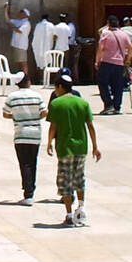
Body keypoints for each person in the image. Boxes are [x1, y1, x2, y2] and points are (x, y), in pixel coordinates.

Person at [46, 74, 100, 226]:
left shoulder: (56, 104)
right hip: (81, 147)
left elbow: (53, 127)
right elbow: (90, 126)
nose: (55, 91)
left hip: (64, 148)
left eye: (56, 88)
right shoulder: (83, 103)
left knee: (65, 182)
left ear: (61, 87)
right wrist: (95, 147)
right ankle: (81, 209)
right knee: (79, 179)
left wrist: (49, 142)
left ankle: (69, 214)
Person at [2, 72, 47, 204]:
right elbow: (44, 112)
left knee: (24, 164)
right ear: (28, 82)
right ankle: (31, 189)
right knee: (33, 163)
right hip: (35, 134)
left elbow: (5, 113)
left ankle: (28, 194)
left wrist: (16, 117)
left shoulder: (12, 97)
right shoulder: (37, 95)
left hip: (21, 134)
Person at [95, 16, 132, 115]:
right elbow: (130, 47)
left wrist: (97, 61)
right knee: (118, 85)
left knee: (102, 83)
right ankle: (117, 106)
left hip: (107, 62)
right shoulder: (124, 34)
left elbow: (100, 48)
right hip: (119, 63)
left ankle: (108, 104)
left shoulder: (106, 34)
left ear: (108, 23)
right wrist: (128, 59)